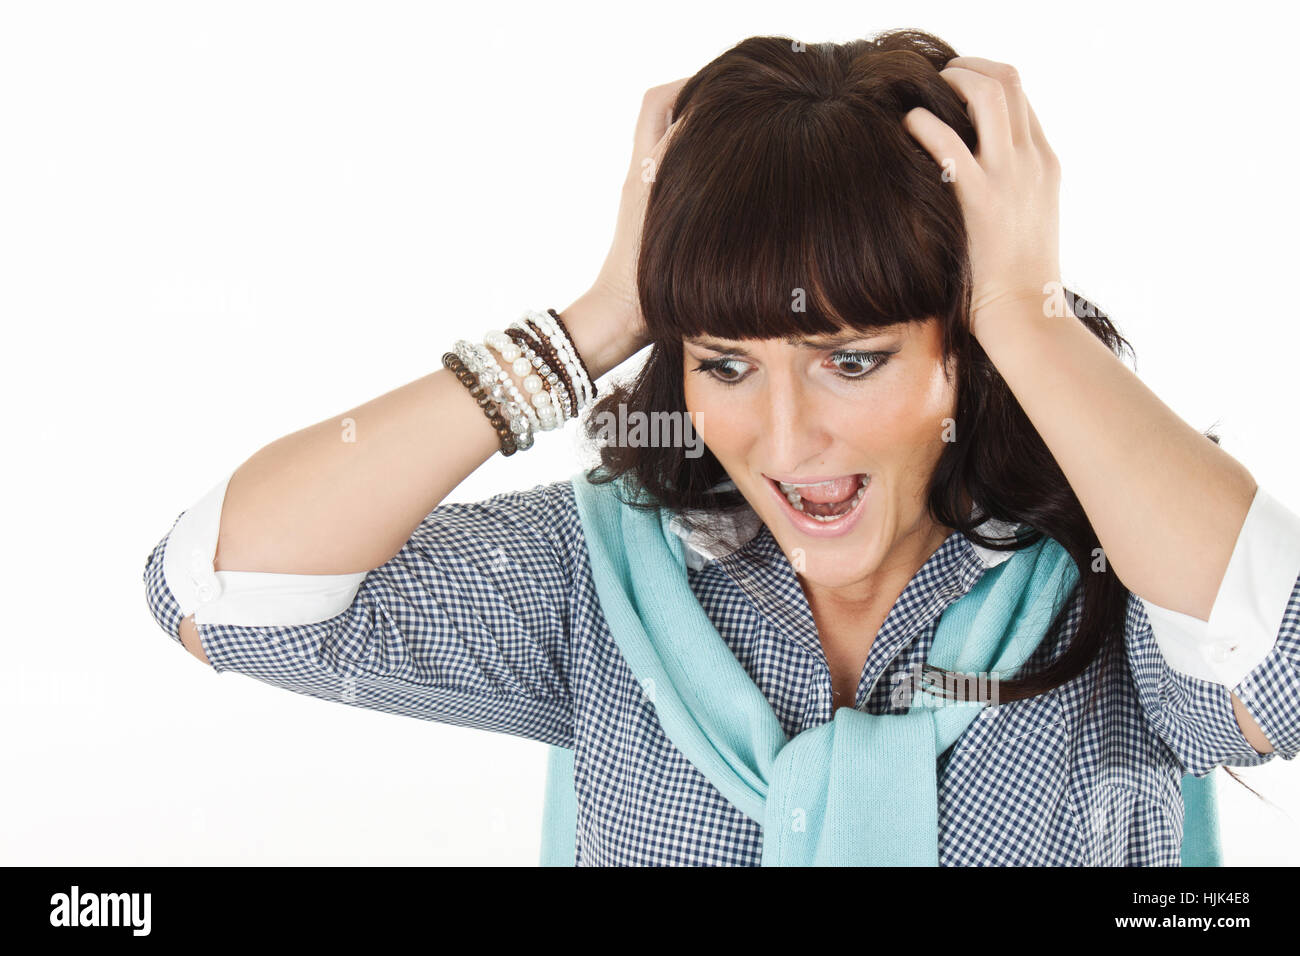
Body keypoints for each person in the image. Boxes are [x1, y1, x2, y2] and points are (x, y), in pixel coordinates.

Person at [142, 29, 1300, 866]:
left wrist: (1024, 308)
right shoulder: (612, 579)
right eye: (726, 361)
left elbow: (1279, 663)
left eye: (854, 360)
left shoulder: (1112, 572)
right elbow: (217, 590)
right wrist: (596, 317)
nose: (783, 436)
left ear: (962, 353)